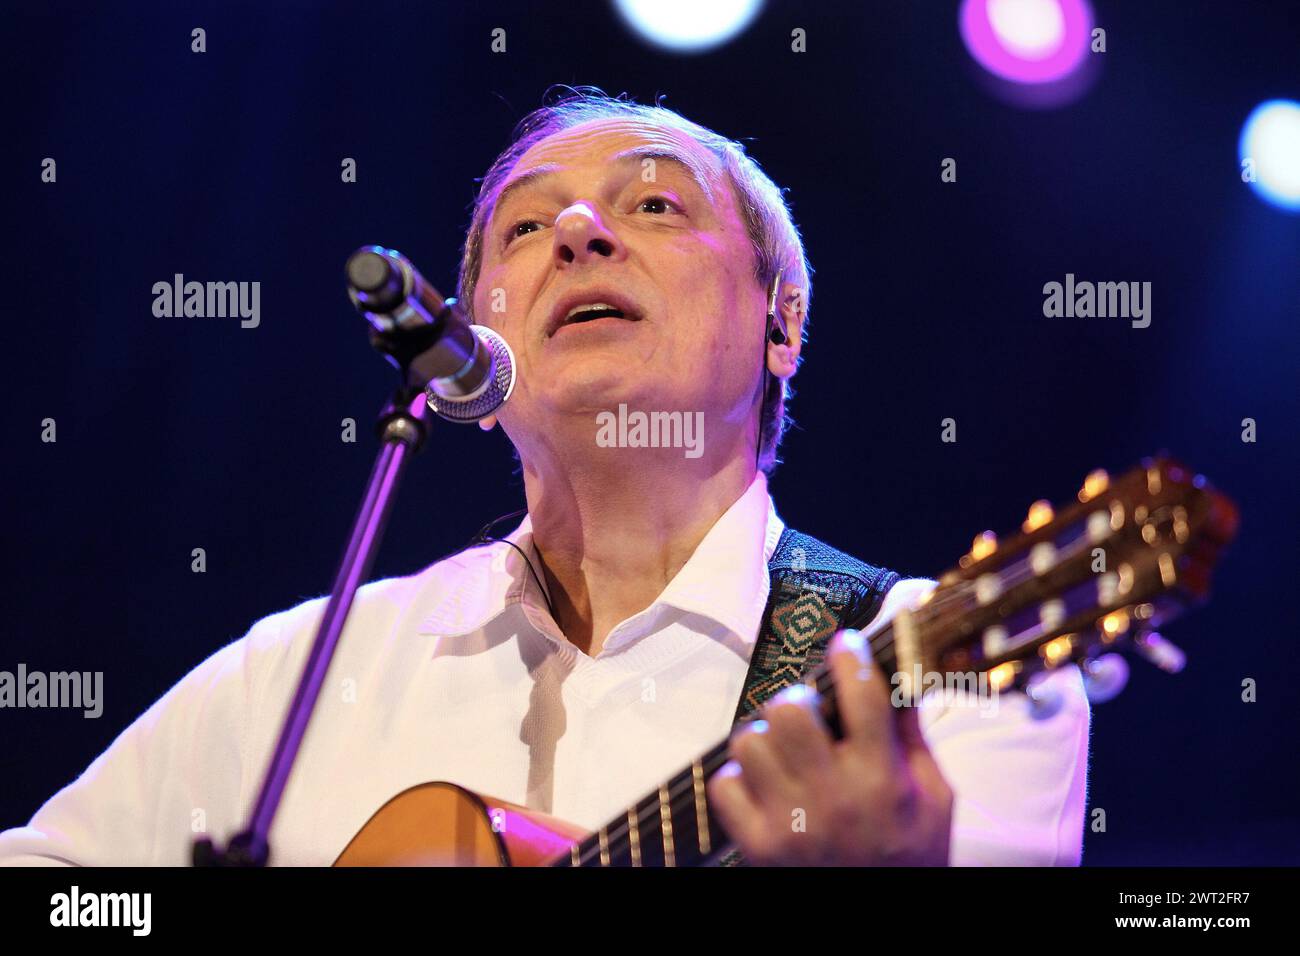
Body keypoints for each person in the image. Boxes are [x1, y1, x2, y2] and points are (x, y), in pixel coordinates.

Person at [0, 89, 1089, 866]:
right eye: (523, 225)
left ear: (782, 321)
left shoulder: (941, 678)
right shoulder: (302, 670)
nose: (576, 229)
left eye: (655, 205)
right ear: (479, 342)